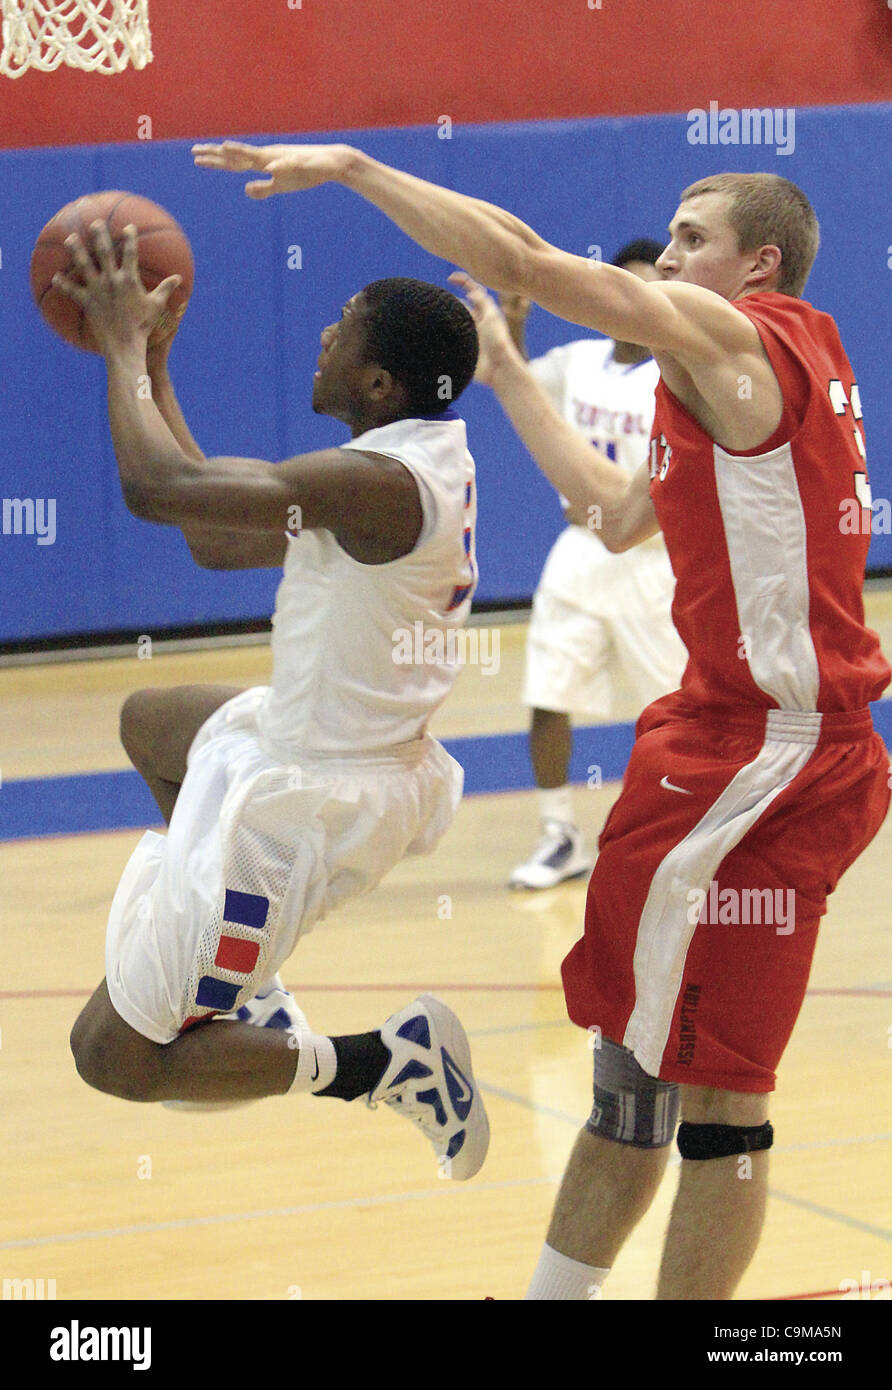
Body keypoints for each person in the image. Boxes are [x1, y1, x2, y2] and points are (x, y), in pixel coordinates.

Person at [193, 141, 890, 1297]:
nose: (666, 257)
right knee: (631, 1075)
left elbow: (517, 252)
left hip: (766, 761)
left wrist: (358, 168)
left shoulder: (742, 339)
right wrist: (510, 366)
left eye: (689, 239)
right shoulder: (728, 374)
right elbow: (608, 515)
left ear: (758, 264)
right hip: (723, 746)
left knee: (717, 1099)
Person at [60, 226, 489, 1182]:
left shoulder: (376, 483)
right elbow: (211, 535)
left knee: (111, 1055)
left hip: (311, 807)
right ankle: (240, 986)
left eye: (342, 330)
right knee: (151, 722)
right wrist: (159, 369)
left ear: (381, 383)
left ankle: (381, 1063)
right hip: (311, 739)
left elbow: (157, 489)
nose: (324, 338)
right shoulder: (405, 459)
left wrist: (123, 343)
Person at [496, 239, 687, 889]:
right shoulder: (577, 360)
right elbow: (520, 383)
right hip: (578, 550)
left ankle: (678, 832)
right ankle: (559, 834)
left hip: (653, 559)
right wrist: (514, 324)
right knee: (547, 694)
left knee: (670, 709)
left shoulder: (677, 371)